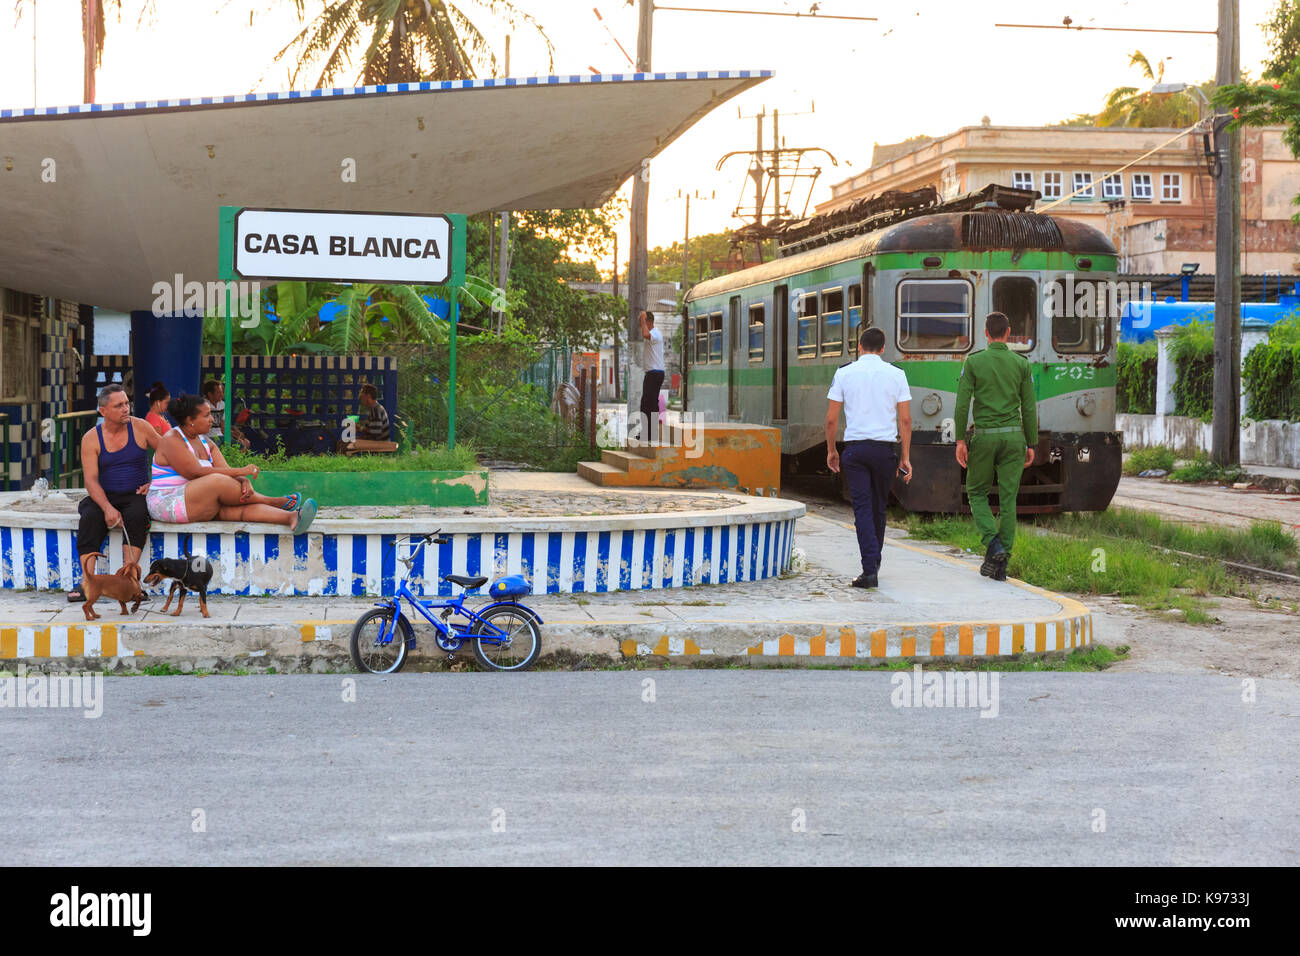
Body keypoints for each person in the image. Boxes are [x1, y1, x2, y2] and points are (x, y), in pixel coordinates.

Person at [149, 393, 317, 533]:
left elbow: (225, 471)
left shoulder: (207, 442)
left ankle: (292, 517)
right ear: (189, 420)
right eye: (206, 415)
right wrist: (242, 470)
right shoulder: (172, 439)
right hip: (168, 504)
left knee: (241, 509)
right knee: (216, 481)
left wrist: (243, 480)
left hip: (198, 502)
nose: (212, 420)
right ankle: (272, 501)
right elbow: (195, 472)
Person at [825, 327, 913, 589]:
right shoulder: (897, 374)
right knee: (878, 508)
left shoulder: (844, 373)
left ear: (859, 347)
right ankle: (873, 564)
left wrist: (831, 451)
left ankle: (869, 569)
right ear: (883, 348)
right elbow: (906, 420)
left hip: (855, 451)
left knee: (862, 508)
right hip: (885, 451)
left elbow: (831, 420)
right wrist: (905, 457)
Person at [954, 311, 1038, 581]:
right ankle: (1002, 564)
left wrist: (959, 440)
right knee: (1008, 499)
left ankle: (993, 543)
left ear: (986, 333)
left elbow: (962, 404)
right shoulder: (1021, 364)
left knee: (976, 492)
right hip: (1015, 437)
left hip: (986, 436)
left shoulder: (975, 361)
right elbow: (1029, 407)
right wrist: (1031, 442)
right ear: (1009, 332)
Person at [69, 384, 166, 602]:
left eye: (126, 403)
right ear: (103, 411)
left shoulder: (141, 427)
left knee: (139, 513)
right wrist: (107, 507)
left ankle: (129, 582)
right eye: (119, 405)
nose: (126, 409)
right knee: (90, 516)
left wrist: (156, 483)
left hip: (135, 494)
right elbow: (91, 480)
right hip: (105, 495)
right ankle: (88, 581)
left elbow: (169, 455)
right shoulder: (91, 438)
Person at [637, 309, 665, 442]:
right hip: (651, 373)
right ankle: (647, 432)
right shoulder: (652, 334)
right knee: (646, 403)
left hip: (655, 373)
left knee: (651, 403)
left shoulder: (655, 334)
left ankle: (651, 433)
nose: (640, 324)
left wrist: (642, 319)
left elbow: (645, 333)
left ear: (648, 322)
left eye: (642, 321)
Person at [202, 378, 250, 450]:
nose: (221, 394)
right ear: (209, 394)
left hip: (221, 436)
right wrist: (234, 434)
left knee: (243, 446)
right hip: (208, 437)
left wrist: (236, 434)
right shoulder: (203, 405)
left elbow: (223, 426)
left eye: (222, 392)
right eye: (218, 392)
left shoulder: (222, 404)